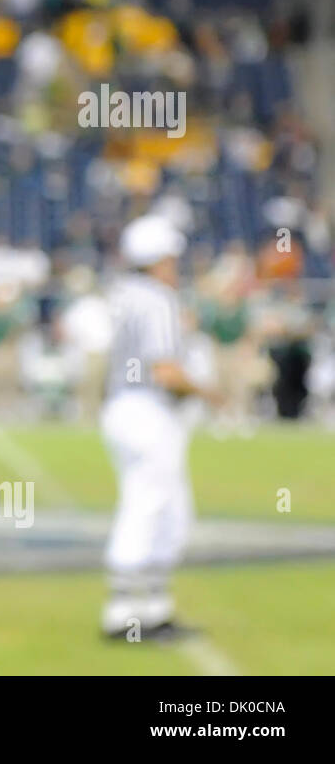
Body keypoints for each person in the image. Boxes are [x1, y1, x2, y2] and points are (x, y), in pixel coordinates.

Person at [99, 214, 221, 642]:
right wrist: (207, 391)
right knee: (149, 503)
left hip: (126, 406)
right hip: (146, 409)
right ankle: (124, 615)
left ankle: (151, 607)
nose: (176, 264)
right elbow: (165, 370)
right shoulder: (155, 300)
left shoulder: (126, 294)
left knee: (164, 504)